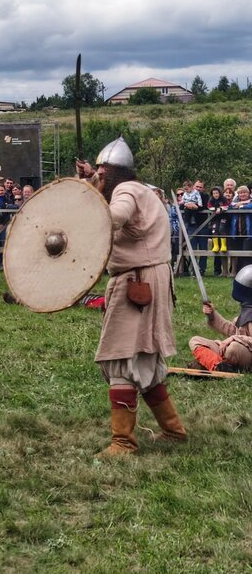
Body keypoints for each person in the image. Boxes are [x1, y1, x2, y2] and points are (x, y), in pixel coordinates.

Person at [77, 136, 186, 457]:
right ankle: (174, 430)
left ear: (113, 174)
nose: (97, 176)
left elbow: (114, 217)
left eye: (101, 172)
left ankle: (123, 442)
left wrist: (90, 198)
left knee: (121, 358)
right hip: (149, 279)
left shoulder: (125, 193)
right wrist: (92, 179)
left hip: (139, 282)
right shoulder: (143, 190)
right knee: (145, 360)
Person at [188, 266, 252, 373]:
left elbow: (234, 337)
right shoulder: (246, 311)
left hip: (245, 353)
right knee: (195, 341)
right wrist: (212, 315)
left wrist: (234, 339)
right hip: (233, 350)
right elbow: (231, 330)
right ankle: (218, 365)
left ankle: (208, 362)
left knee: (233, 348)